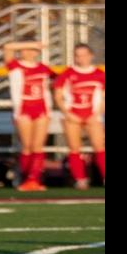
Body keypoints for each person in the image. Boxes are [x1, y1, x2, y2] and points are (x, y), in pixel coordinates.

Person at [2, 40, 54, 191]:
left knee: (38, 146)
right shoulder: (15, 66)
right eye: (25, 50)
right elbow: (7, 46)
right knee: (27, 146)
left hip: (42, 108)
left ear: (37, 53)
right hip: (23, 109)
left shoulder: (44, 68)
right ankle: (25, 178)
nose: (29, 53)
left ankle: (34, 180)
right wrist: (31, 44)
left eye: (32, 50)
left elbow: (57, 82)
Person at [53, 43, 105, 189]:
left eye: (84, 55)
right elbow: (58, 97)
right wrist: (68, 114)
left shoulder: (99, 74)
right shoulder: (67, 73)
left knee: (99, 146)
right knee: (74, 147)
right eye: (77, 55)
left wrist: (97, 114)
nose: (81, 58)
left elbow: (103, 97)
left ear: (91, 56)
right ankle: (80, 179)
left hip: (92, 115)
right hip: (73, 115)